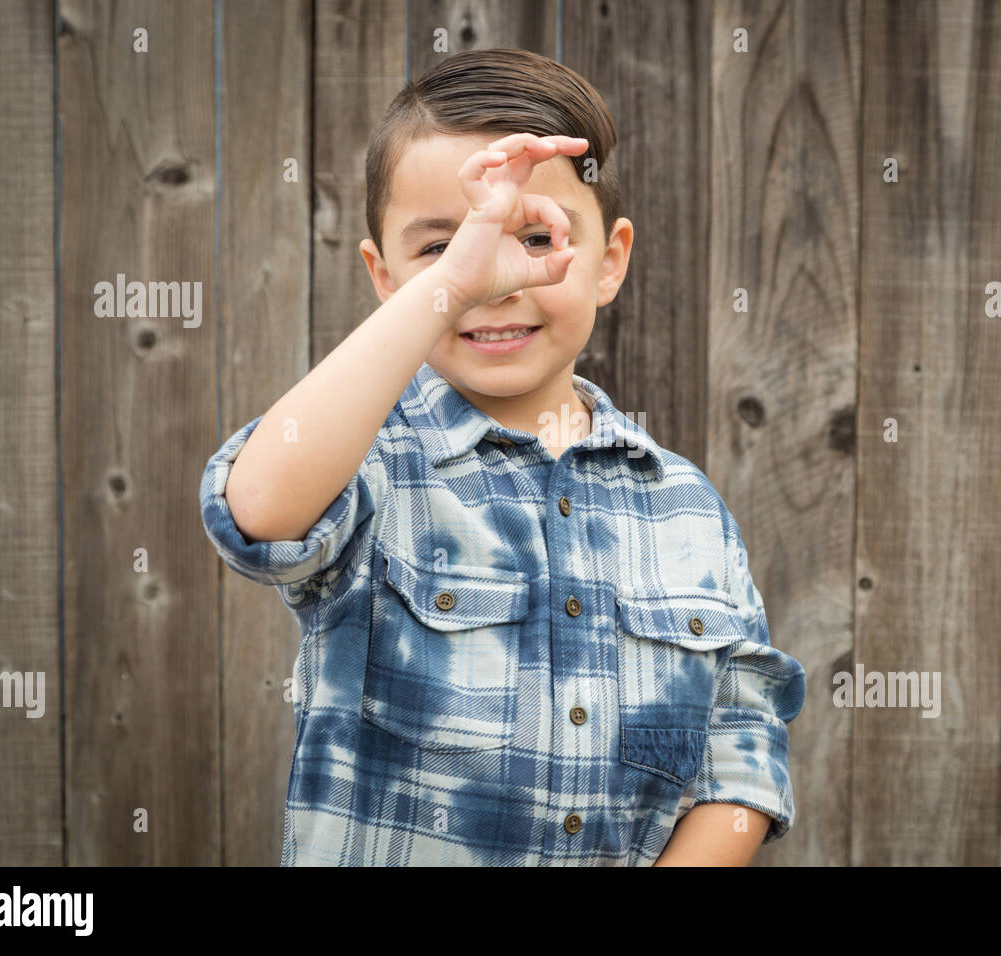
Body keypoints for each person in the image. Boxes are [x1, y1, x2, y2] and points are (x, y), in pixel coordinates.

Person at [198, 47, 806, 866]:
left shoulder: (688, 508)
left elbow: (742, 752)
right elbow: (257, 516)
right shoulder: (370, 461)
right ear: (385, 278)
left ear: (610, 260)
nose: (492, 278)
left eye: (533, 236)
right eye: (442, 251)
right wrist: (452, 281)